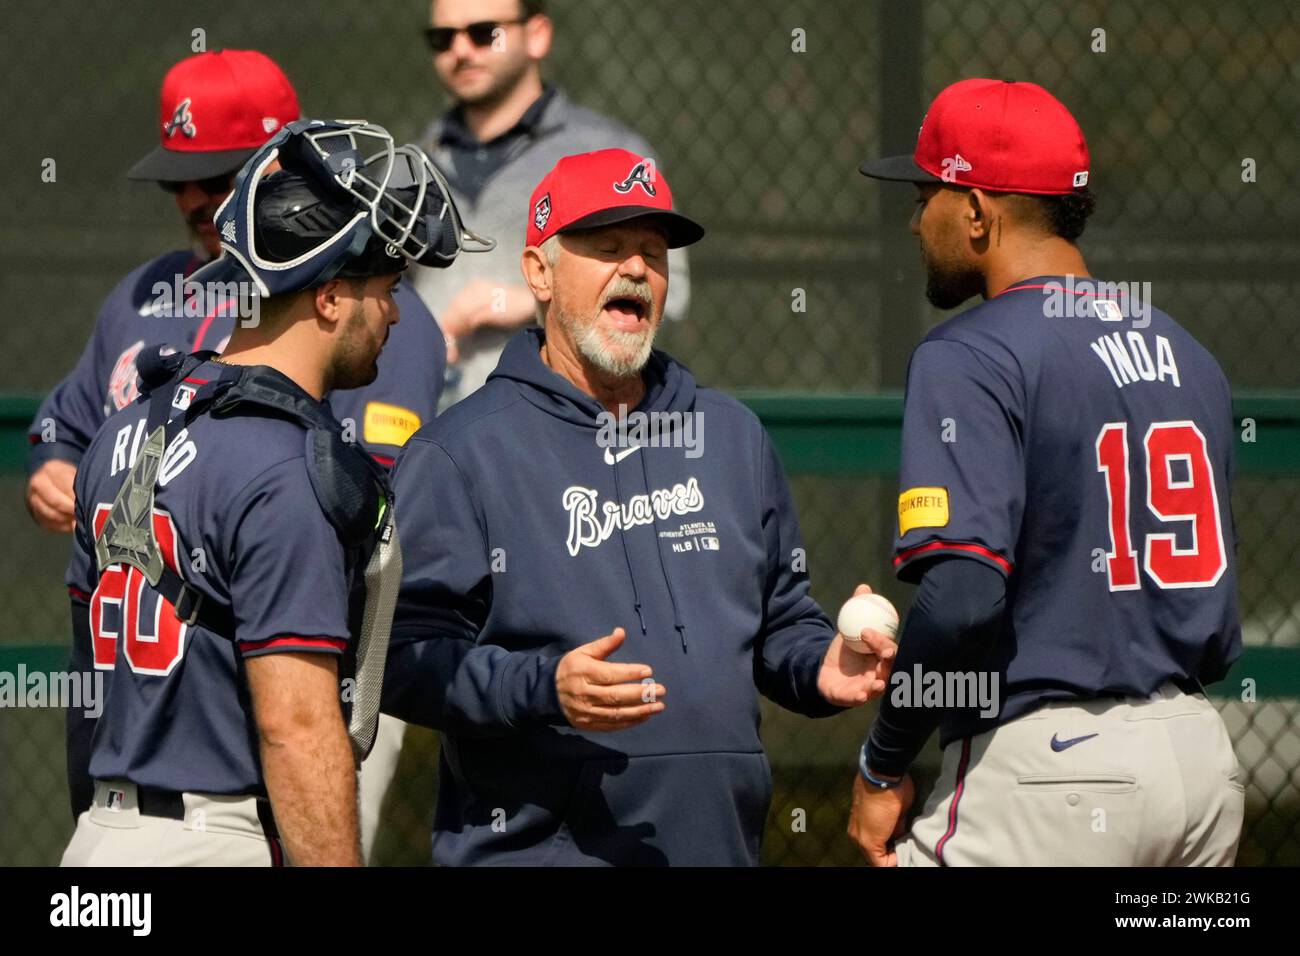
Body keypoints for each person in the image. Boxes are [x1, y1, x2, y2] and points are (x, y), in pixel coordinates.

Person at [383, 147, 895, 866]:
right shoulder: (461, 453)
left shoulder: (730, 436)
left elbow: (780, 621)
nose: (636, 270)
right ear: (540, 273)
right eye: (608, 247)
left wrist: (822, 666)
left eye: (653, 253)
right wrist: (542, 687)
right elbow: (401, 660)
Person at [28, 50, 449, 863]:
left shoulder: (128, 434)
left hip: (106, 835)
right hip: (222, 814)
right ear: (332, 294)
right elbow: (296, 723)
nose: (198, 200)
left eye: (219, 176)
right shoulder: (280, 460)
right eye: (180, 179)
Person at [848, 78, 1244, 866]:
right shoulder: (1188, 354)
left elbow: (963, 593)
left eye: (927, 192)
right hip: (1202, 765)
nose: (913, 216)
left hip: (1053, 778)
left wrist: (882, 760)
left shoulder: (970, 353)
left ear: (976, 212)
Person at [410, 0, 690, 409]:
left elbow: (672, 288)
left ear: (537, 35)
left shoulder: (608, 152)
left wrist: (533, 298)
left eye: (484, 33)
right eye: (443, 38)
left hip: (564, 423)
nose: (461, 50)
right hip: (429, 423)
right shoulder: (414, 161)